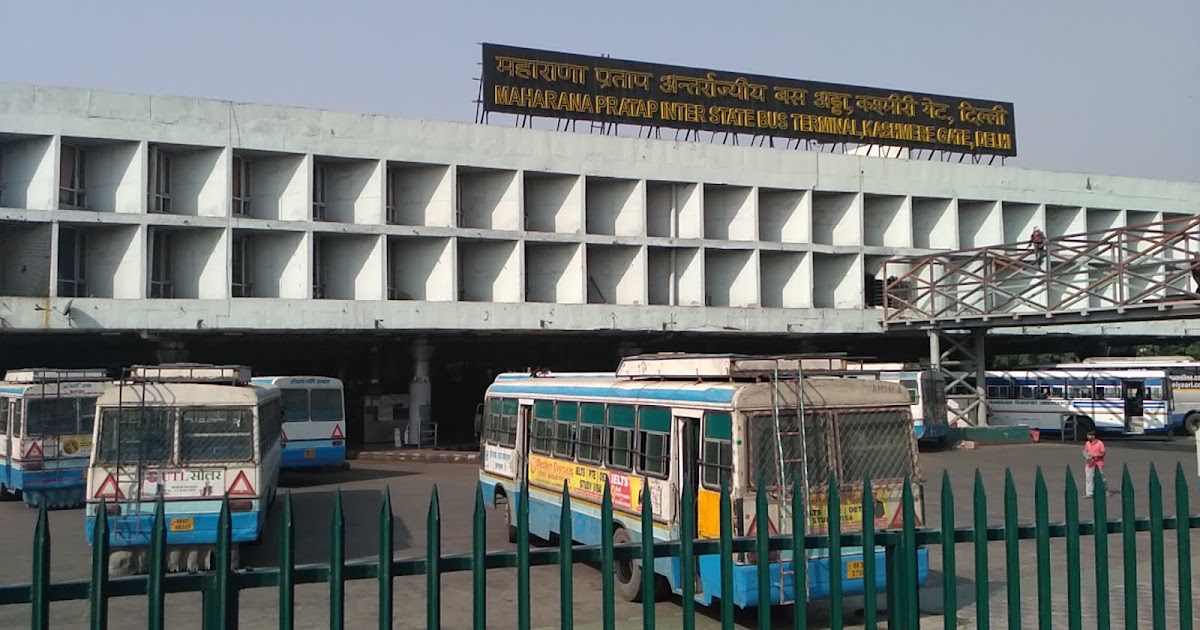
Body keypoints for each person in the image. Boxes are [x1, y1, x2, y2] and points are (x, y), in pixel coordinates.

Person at [1083, 431, 1107, 498]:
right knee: (1089, 478)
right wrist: (1086, 456)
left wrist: (1095, 456)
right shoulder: (1087, 443)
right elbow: (1085, 451)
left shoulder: (1100, 443)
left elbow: (1103, 453)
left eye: (1089, 435)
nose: (1087, 437)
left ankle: (1105, 491)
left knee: (1101, 478)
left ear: (1093, 436)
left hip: (1098, 463)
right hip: (1089, 463)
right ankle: (1089, 493)